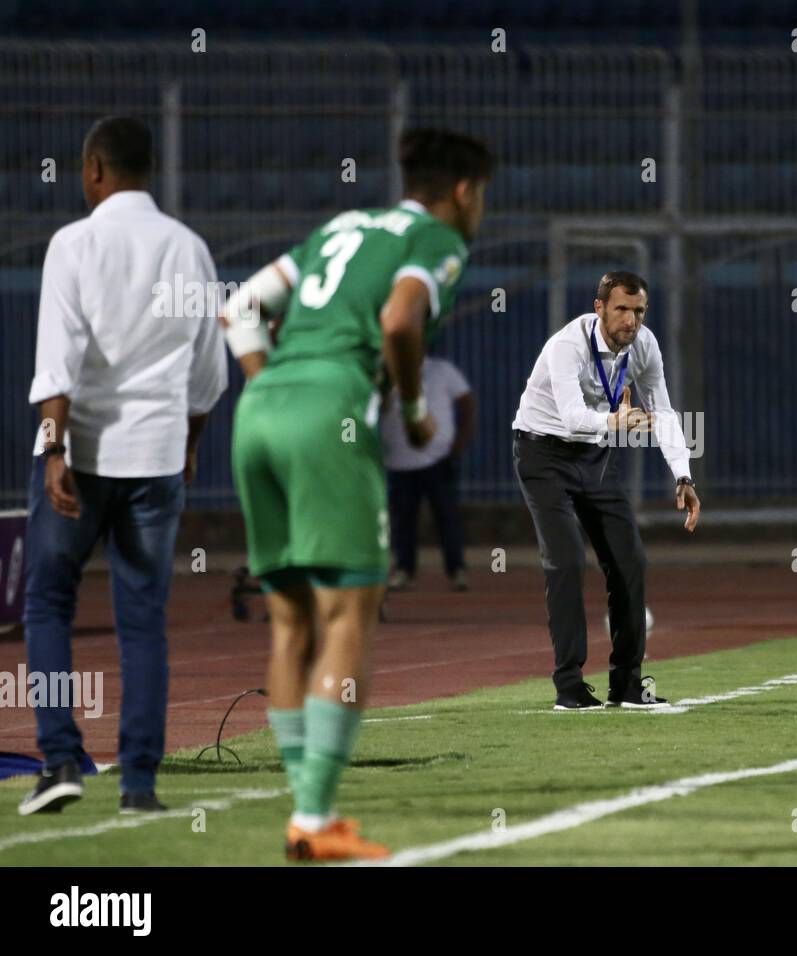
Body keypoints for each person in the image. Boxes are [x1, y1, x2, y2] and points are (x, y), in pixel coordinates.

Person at [221, 128, 492, 860]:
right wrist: (410, 410)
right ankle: (313, 819)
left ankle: (304, 806)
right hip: (331, 412)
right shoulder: (439, 239)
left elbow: (237, 308)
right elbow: (400, 320)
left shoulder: (339, 226)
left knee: (290, 621)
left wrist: (272, 385)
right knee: (349, 613)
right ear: (465, 191)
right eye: (482, 196)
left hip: (260, 409)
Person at [20, 116, 227, 815]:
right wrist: (191, 441)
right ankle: (139, 782)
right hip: (157, 456)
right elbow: (208, 371)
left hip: (81, 455)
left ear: (93, 170)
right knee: (143, 620)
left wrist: (53, 447)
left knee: (48, 604)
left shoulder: (74, 243)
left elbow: (59, 356)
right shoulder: (190, 249)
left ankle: (59, 760)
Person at [512, 271, 701, 712]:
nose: (631, 321)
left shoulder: (645, 346)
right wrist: (616, 424)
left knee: (630, 559)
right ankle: (569, 685)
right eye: (621, 309)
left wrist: (683, 476)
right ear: (599, 309)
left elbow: (663, 411)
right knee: (565, 561)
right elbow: (574, 418)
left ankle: (628, 684)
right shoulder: (567, 347)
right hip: (543, 455)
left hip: (594, 456)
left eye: (639, 311)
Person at [381, 355, 476, 592]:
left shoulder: (441, 370)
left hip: (438, 460)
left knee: (447, 516)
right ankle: (404, 570)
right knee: (402, 520)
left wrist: (458, 444)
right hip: (398, 461)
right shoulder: (383, 374)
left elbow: (467, 402)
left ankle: (457, 570)